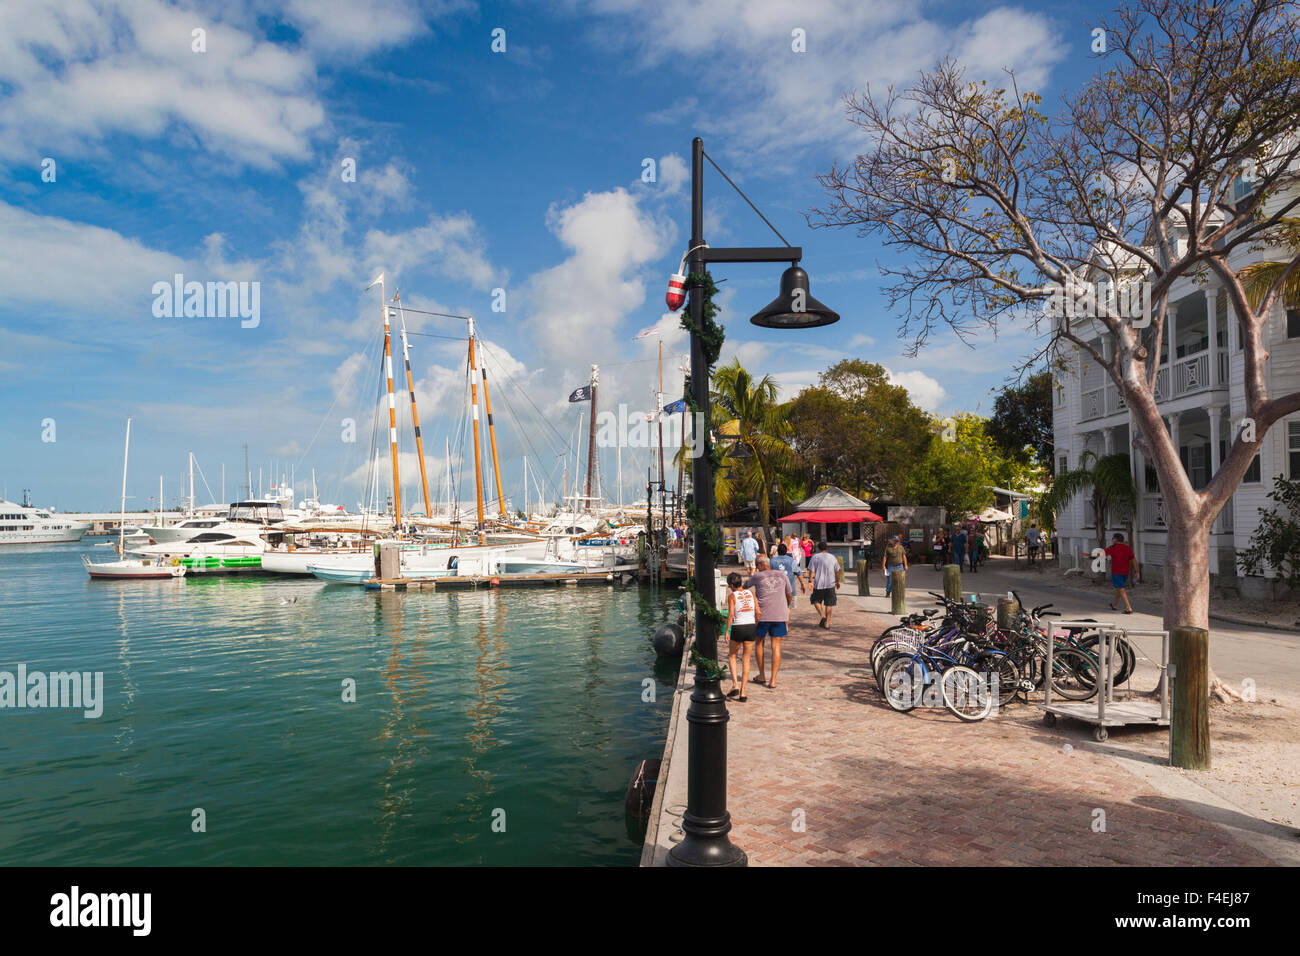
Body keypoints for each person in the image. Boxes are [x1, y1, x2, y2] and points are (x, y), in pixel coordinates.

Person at [748, 554, 793, 689]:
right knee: (776, 646)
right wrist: (786, 605)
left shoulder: (757, 576)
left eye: (757, 565)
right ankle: (773, 680)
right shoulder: (782, 575)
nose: (756, 567)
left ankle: (762, 675)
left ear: (761, 565)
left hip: (762, 615)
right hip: (779, 614)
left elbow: (743, 587)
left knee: (759, 643)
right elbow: (789, 594)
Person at [724, 571, 760, 701]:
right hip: (750, 627)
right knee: (746, 658)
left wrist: (727, 631)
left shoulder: (732, 596)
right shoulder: (751, 593)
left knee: (733, 656)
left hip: (738, 627)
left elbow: (731, 615)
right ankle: (743, 692)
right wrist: (755, 623)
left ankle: (735, 685)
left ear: (732, 585)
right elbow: (758, 611)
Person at [808, 540, 841, 629]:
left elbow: (812, 570)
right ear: (826, 548)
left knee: (815, 601)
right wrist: (838, 581)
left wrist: (810, 581)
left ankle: (823, 616)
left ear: (818, 548)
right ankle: (827, 623)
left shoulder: (815, 557)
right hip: (830, 584)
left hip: (819, 583)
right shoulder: (832, 557)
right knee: (829, 603)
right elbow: (837, 571)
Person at [1103, 532, 1138, 614]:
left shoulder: (1112, 548)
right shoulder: (1127, 548)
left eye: (1113, 538)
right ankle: (1114, 605)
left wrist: (1092, 555)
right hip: (1126, 572)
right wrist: (1136, 571)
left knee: (1121, 589)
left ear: (1115, 539)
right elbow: (1133, 560)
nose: (1112, 540)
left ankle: (1128, 608)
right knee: (1119, 588)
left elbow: (1102, 553)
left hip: (1116, 572)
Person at [771, 542, 799, 610]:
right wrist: (803, 584)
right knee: (788, 608)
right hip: (790, 589)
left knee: (778, 608)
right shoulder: (792, 560)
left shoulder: (772, 561)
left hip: (777, 589)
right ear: (786, 551)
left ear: (777, 551)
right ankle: (786, 621)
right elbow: (798, 573)